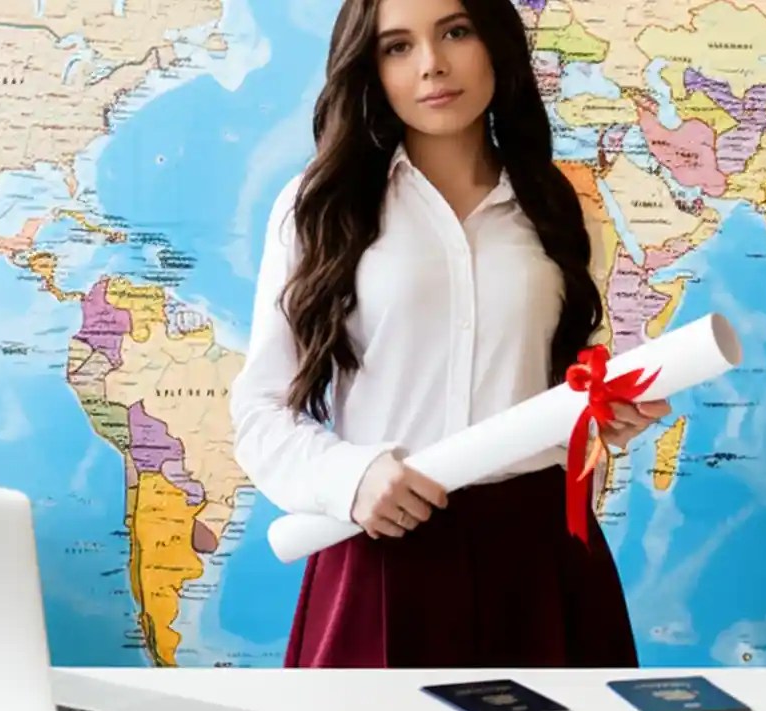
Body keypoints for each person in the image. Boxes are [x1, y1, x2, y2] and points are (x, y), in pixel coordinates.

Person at [229, 0, 671, 669]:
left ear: (493, 42)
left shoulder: (560, 206)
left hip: (541, 557)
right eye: (397, 47)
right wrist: (351, 477)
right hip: (380, 547)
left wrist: (598, 415)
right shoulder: (321, 207)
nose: (432, 64)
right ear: (369, 67)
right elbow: (260, 413)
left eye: (455, 32)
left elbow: (552, 380)